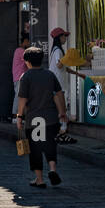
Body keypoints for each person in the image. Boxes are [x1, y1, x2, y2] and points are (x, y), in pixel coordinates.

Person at [17, 46, 68, 188]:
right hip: (51, 118)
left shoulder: (26, 77)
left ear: (27, 61)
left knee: (36, 149)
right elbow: (59, 93)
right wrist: (62, 112)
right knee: (50, 145)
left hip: (34, 119)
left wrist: (20, 116)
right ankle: (52, 169)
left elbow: (22, 98)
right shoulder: (50, 75)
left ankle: (39, 179)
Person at [49, 27, 76, 145]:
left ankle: (61, 129)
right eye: (64, 36)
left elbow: (63, 67)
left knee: (60, 107)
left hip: (59, 83)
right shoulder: (57, 51)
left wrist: (77, 73)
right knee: (61, 107)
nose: (65, 38)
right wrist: (68, 57)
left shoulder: (57, 51)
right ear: (58, 38)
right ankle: (63, 130)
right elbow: (59, 65)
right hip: (58, 84)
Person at [11, 35, 31, 120]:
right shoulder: (21, 50)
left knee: (22, 96)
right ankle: (15, 115)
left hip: (19, 77)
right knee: (19, 96)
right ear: (25, 41)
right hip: (20, 77)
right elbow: (28, 62)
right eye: (28, 41)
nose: (29, 43)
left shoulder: (18, 50)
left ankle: (20, 116)